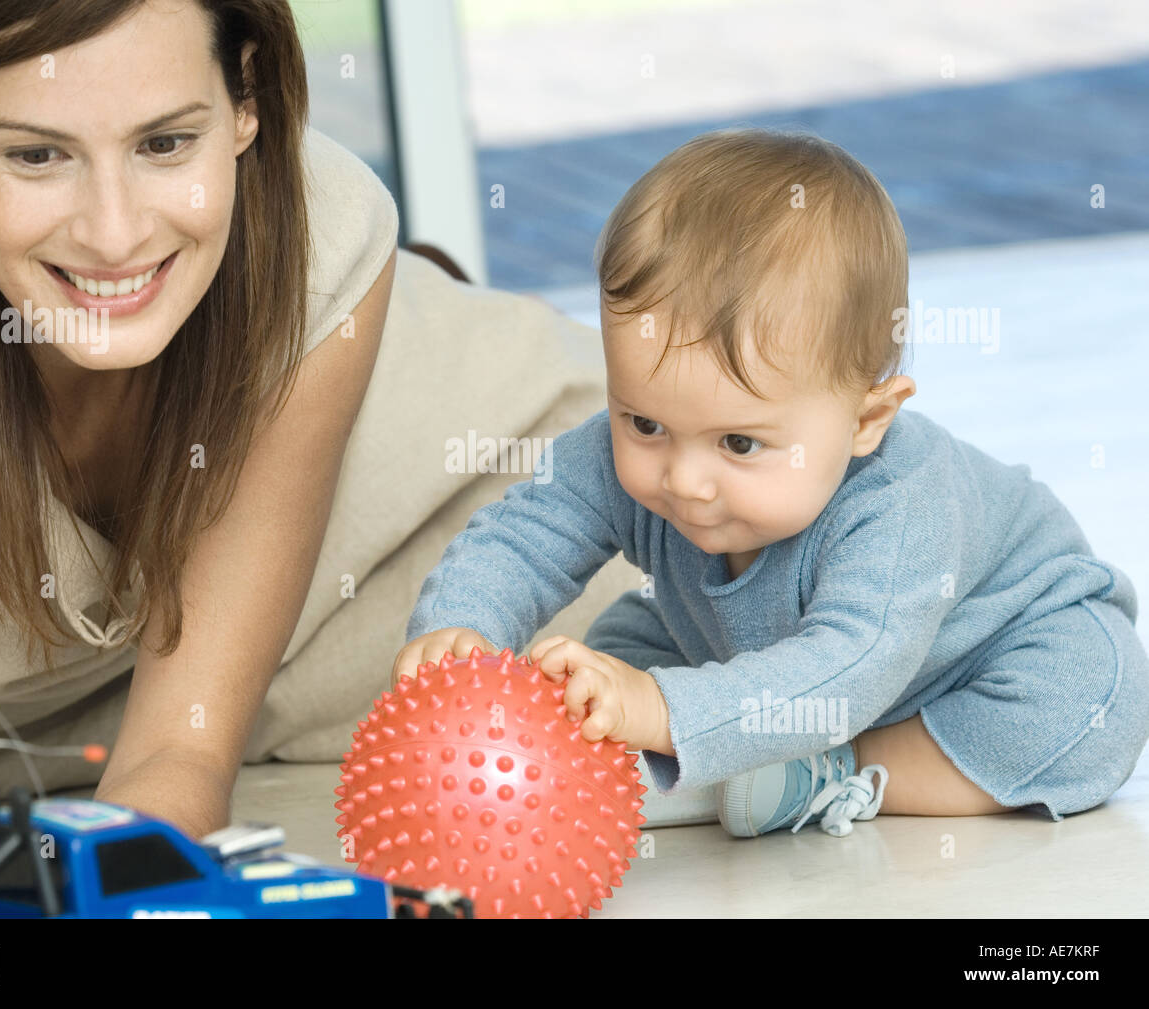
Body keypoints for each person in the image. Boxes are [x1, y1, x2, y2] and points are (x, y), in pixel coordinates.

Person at [0, 0, 608, 837]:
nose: (115, 233)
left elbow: (177, 756)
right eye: (37, 155)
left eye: (165, 143)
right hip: (50, 733)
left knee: (738, 608)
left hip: (491, 499)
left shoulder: (315, 238)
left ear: (247, 93)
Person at [394, 128, 1149, 838]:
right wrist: (460, 627)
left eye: (739, 442)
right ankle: (680, 761)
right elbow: (525, 533)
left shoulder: (900, 502)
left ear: (866, 419)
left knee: (1089, 699)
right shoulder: (631, 454)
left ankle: (834, 771)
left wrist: (657, 707)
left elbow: (849, 669)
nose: (685, 479)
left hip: (971, 660)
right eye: (644, 423)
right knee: (617, 648)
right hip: (750, 652)